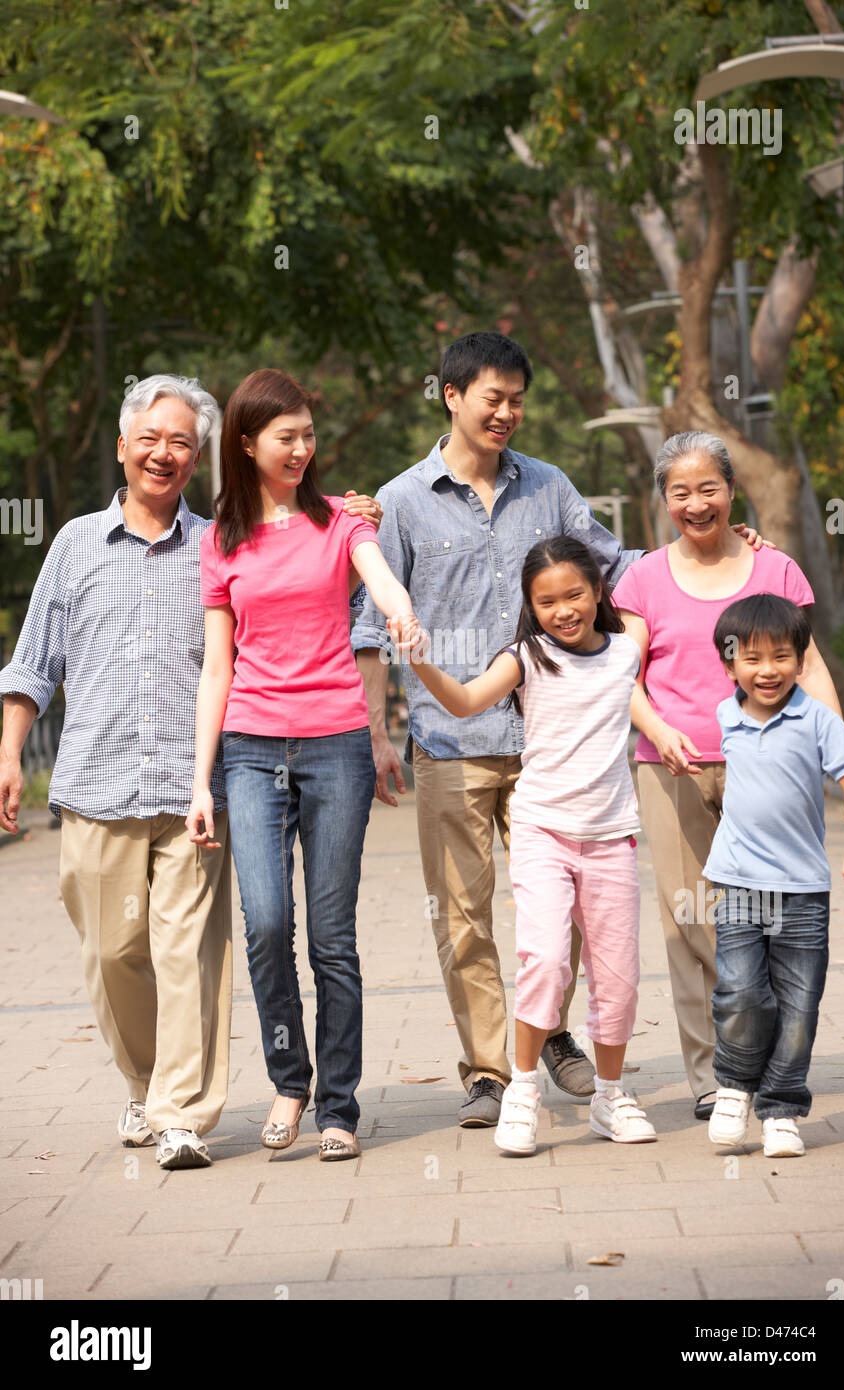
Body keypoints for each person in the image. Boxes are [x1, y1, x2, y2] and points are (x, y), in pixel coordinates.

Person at [351, 332, 647, 1126]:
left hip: (555, 744)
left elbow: (615, 567)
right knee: (462, 913)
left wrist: (714, 555)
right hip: (449, 744)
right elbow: (371, 627)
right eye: (494, 397)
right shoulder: (403, 500)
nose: (508, 412)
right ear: (451, 395)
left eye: (518, 398)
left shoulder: (549, 487)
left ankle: (546, 1030)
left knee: (577, 906)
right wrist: (381, 734)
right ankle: (489, 1070)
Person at [0, 375, 231, 1170]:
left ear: (196, 459)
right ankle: (144, 1081)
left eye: (181, 443)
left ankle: (178, 1113)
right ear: (125, 445)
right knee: (111, 953)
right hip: (95, 786)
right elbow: (34, 662)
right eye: (152, 439)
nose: (164, 454)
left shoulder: (217, 546)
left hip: (194, 790)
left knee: (185, 957)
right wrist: (8, 752)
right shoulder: (73, 544)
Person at [186, 368, 414, 1162]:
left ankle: (339, 1104)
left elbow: (378, 577)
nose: (302, 448)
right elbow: (218, 667)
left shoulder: (342, 519)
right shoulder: (222, 537)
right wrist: (200, 782)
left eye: (309, 435)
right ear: (247, 444)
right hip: (249, 749)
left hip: (337, 745)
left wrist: (401, 610)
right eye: (286, 437)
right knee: (266, 925)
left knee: (331, 936)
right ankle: (290, 1078)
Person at [393, 536, 657, 1154]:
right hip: (542, 831)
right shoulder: (527, 657)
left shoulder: (626, 652)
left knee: (618, 977)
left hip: (612, 836)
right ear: (530, 606)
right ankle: (522, 1091)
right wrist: (421, 661)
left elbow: (669, 577)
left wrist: (744, 541)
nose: (563, 610)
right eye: (546, 601)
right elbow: (462, 703)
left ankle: (610, 1098)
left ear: (598, 591)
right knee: (544, 961)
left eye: (575, 595)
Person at [612, 432, 841, 1120]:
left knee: (773, 919)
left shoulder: (776, 570)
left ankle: (769, 1063)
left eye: (707, 487)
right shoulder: (643, 577)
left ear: (730, 491)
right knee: (693, 923)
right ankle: (715, 1077)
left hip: (769, 771)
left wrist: (837, 752)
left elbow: (808, 664)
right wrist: (657, 731)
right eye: (679, 492)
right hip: (671, 769)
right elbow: (620, 674)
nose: (695, 503)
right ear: (663, 500)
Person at [702, 594, 844, 1157]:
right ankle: (732, 1086)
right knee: (741, 992)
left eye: (781, 656)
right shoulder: (724, 715)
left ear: (800, 660)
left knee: (798, 1005)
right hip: (738, 882)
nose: (766, 670)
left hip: (803, 890)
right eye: (751, 658)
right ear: (729, 666)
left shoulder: (818, 718)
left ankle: (780, 1108)